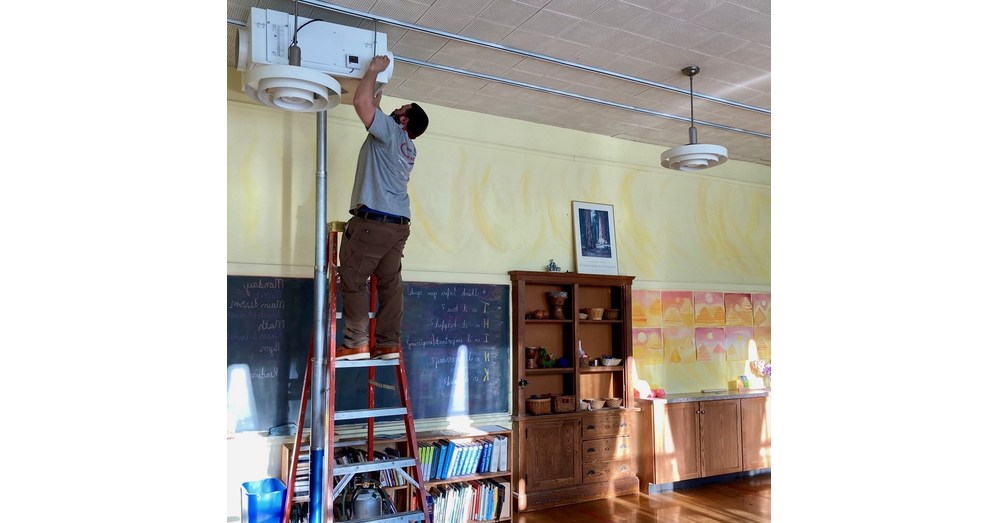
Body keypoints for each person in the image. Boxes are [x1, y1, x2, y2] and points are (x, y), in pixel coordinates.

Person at [336, 55, 429, 361]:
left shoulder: (389, 130)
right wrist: (378, 91)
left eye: (401, 109)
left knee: (353, 278)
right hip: (398, 225)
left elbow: (361, 104)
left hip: (373, 222)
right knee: (389, 283)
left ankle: (357, 342)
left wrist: (372, 71)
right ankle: (388, 343)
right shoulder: (408, 145)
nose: (395, 110)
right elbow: (373, 105)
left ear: (403, 120)